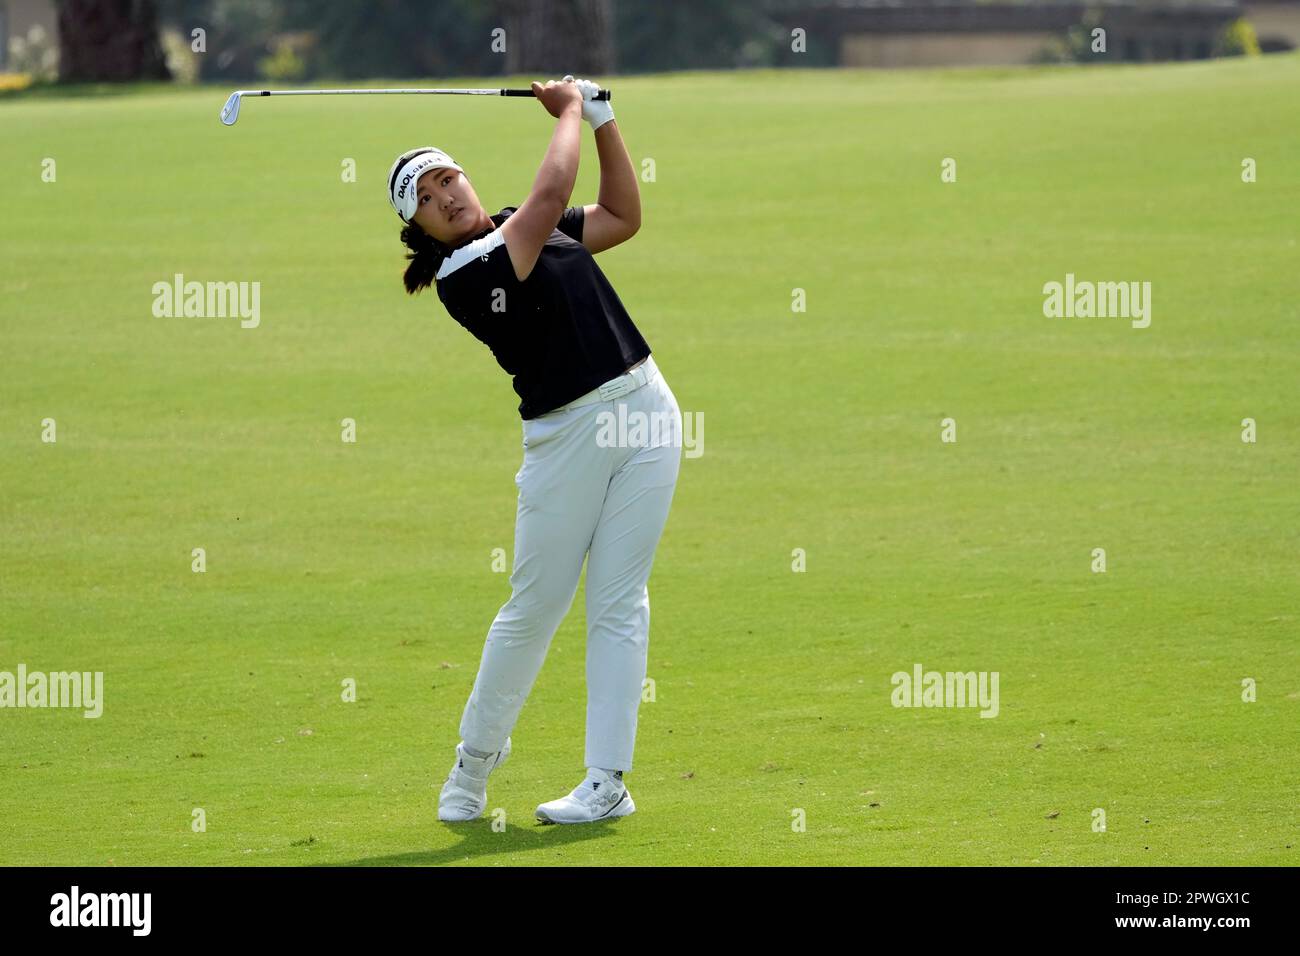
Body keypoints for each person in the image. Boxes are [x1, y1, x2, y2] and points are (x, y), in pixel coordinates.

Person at [386, 76, 682, 824]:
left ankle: (607, 782)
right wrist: (573, 110)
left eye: (447, 176)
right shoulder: (465, 273)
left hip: (646, 410)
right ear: (420, 227)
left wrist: (606, 120)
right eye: (426, 196)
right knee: (535, 608)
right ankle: (472, 768)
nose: (446, 194)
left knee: (620, 603)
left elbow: (622, 215)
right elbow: (551, 196)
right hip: (566, 437)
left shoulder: (519, 224)